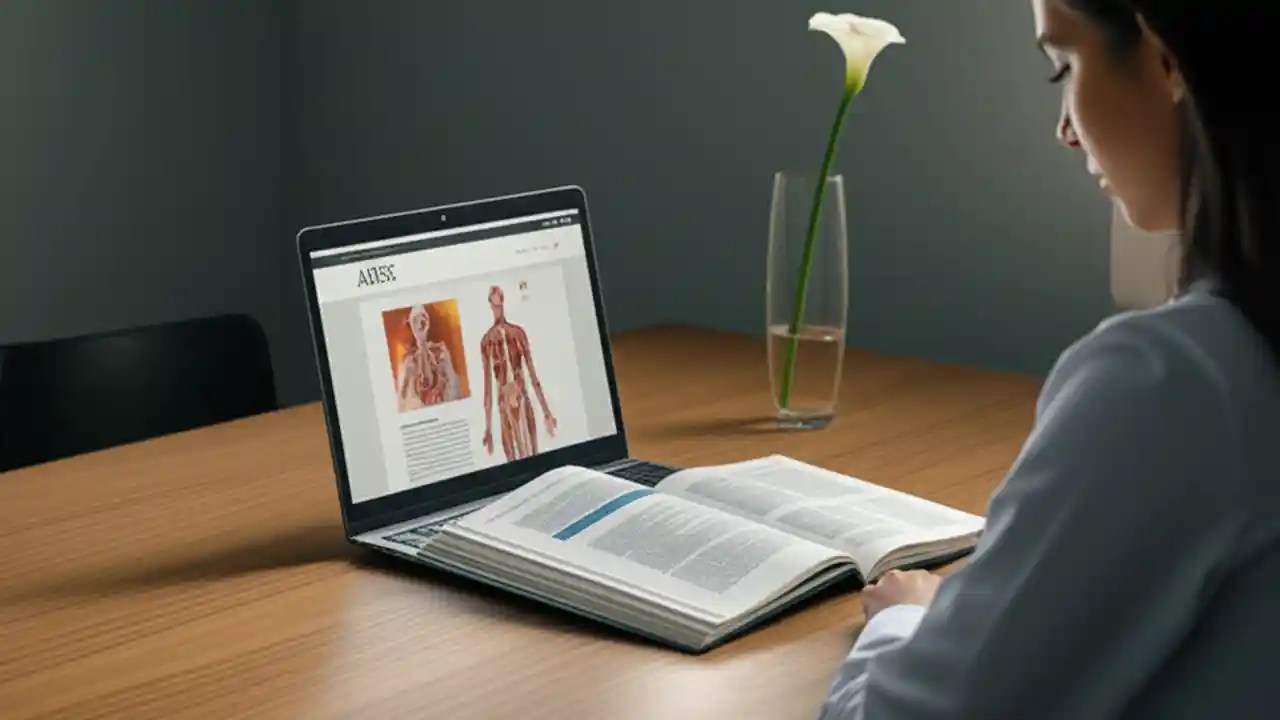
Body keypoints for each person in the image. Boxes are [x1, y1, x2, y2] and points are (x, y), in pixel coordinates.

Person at [820, 1, 1280, 717]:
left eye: (1063, 66)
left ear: (1164, 57)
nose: (1065, 130)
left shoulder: (1177, 383)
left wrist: (905, 620)